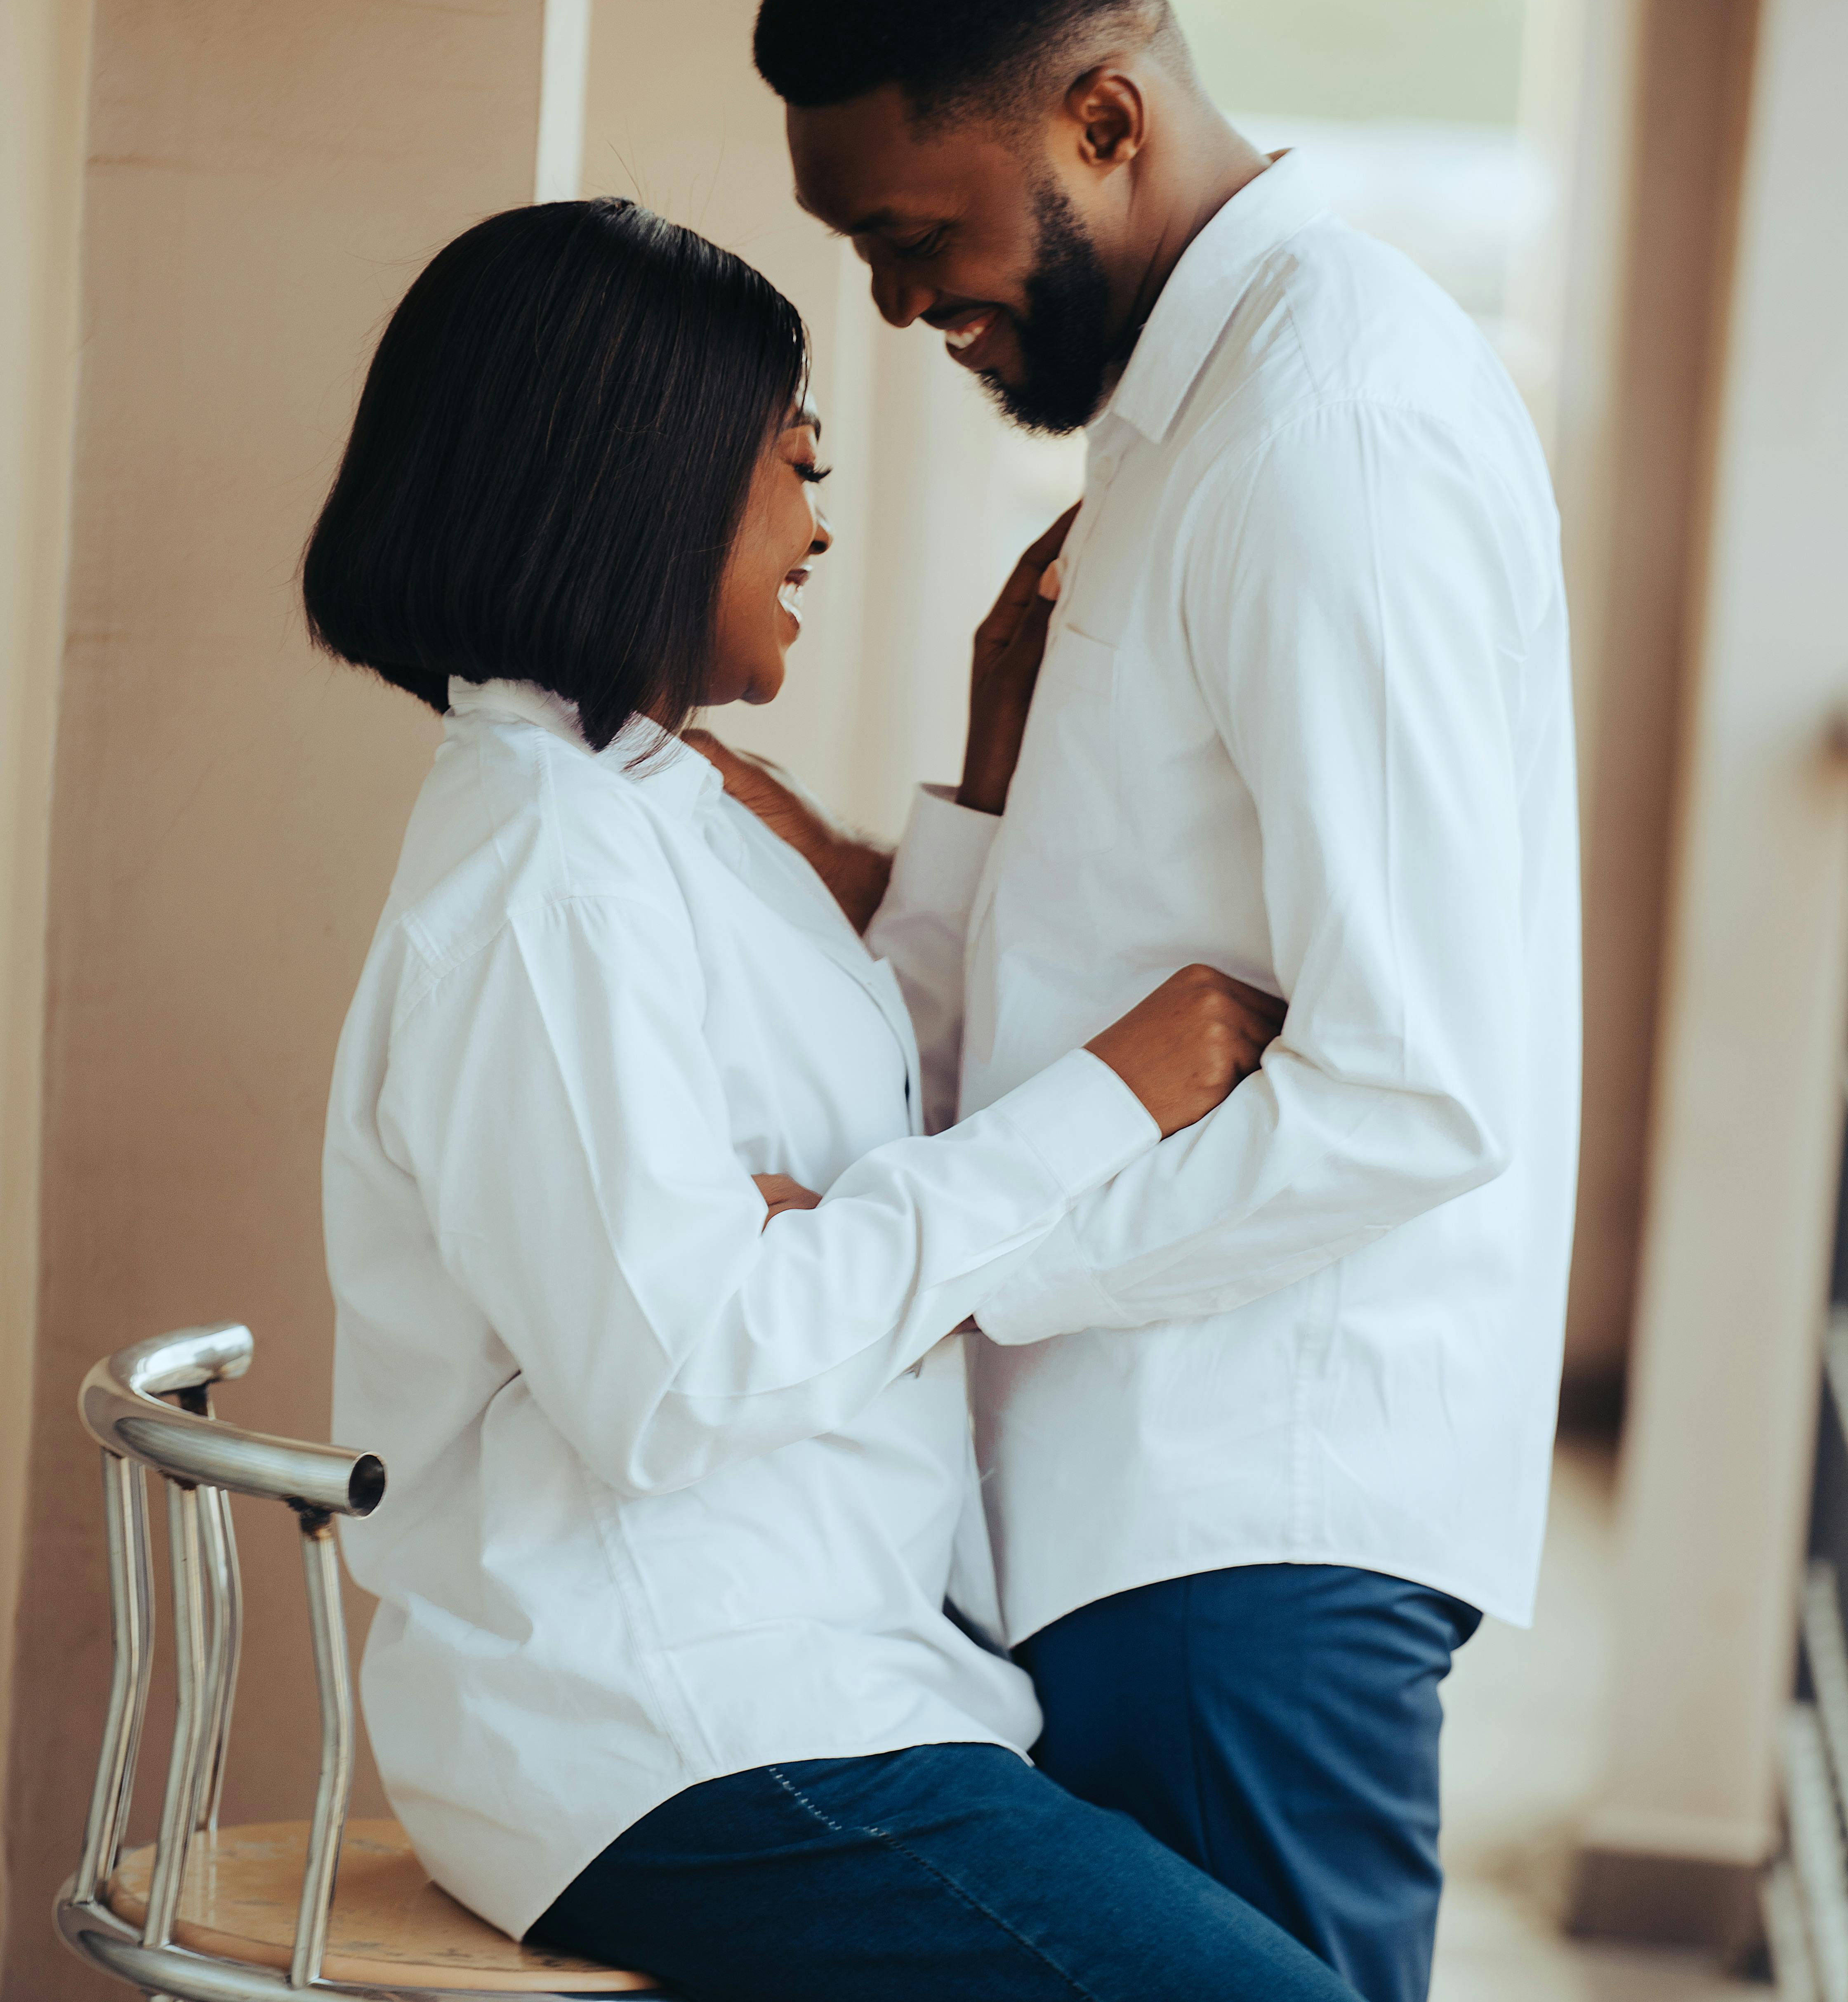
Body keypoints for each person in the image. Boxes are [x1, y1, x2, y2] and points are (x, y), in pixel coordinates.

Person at [303, 196, 1355, 2002]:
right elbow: (690, 1367)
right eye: (789, 463)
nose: (819, 521)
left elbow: (862, 1086)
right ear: (639, 484)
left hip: (815, 1668)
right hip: (668, 1725)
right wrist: (1112, 1094)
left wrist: (979, 785)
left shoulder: (652, 796)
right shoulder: (546, 872)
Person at [748, 0, 1582, 2002]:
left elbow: (1415, 1089)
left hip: (1249, 1537)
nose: (901, 309)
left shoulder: (1332, 435)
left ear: (1102, 118)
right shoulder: (1188, 429)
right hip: (1135, 1509)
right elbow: (1105, 952)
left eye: (912, 237)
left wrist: (935, 1260)